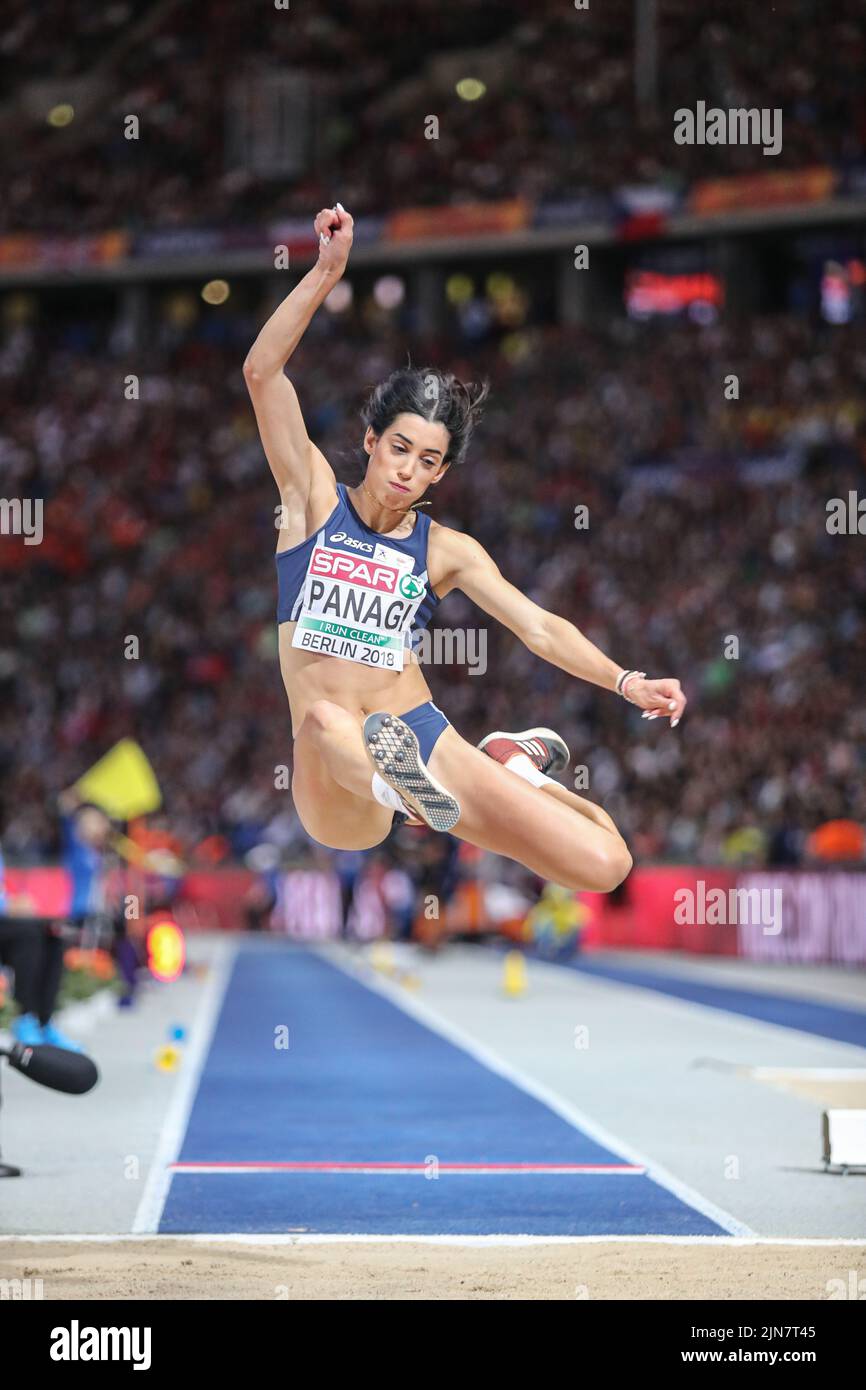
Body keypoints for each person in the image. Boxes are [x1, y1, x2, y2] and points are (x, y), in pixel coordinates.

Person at [243, 202, 687, 894]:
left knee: (607, 864)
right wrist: (325, 273)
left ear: (441, 472)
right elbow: (263, 374)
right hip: (333, 772)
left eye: (427, 461)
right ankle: (410, 799)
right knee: (331, 721)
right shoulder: (311, 501)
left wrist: (627, 681)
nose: (406, 472)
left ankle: (508, 767)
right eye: (398, 449)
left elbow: (537, 626)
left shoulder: (444, 549)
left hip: (419, 735)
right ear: (370, 441)